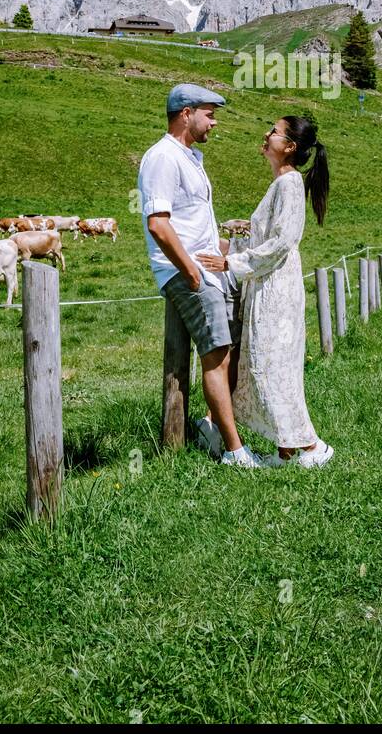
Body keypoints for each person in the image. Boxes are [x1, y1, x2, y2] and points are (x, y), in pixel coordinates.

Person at [138, 83, 263, 468]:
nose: (214, 123)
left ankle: (211, 425)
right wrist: (190, 271)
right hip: (186, 271)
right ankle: (234, 450)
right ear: (185, 113)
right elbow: (158, 224)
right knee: (217, 354)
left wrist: (224, 253)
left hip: (208, 268)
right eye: (209, 114)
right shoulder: (162, 157)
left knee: (233, 349)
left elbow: (193, 220)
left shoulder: (191, 158)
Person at [197, 115, 333, 468]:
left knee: (274, 367)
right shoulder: (282, 183)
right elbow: (263, 239)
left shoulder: (288, 184)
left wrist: (231, 264)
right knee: (268, 365)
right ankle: (287, 450)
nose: (266, 134)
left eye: (274, 131)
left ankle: (309, 446)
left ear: (289, 147)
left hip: (277, 288)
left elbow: (282, 243)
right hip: (266, 285)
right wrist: (226, 247)